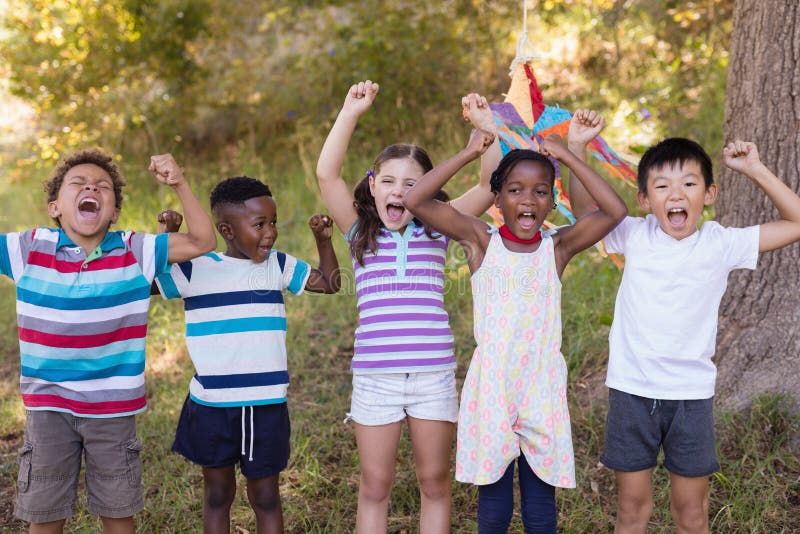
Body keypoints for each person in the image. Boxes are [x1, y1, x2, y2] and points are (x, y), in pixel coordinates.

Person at [566, 128, 800, 533]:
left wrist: (755, 168)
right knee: (631, 510)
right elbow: (588, 214)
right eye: (662, 186)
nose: (676, 195)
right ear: (645, 199)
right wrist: (575, 149)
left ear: (709, 194)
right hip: (632, 391)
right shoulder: (633, 234)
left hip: (691, 397)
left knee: (691, 514)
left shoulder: (720, 242)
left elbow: (795, 222)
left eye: (689, 184)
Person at [404, 123, 627, 533]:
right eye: (515, 190)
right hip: (493, 387)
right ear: (497, 198)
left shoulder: (556, 247)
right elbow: (415, 198)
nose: (528, 199)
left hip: (541, 387)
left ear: (551, 200)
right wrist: (470, 153)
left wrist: (569, 156)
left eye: (541, 191)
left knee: (541, 508)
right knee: (494, 507)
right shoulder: (479, 240)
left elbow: (615, 211)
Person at [314, 80, 500, 534]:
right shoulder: (359, 232)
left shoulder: (439, 227)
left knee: (433, 483)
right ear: (374, 186)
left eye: (413, 184)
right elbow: (327, 175)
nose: (399, 192)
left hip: (432, 375)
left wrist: (485, 126)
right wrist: (350, 112)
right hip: (376, 377)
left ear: (430, 190)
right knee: (375, 485)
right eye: (390, 182)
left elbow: (489, 186)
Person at [1, 149, 216, 533]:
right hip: (49, 406)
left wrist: (179, 182)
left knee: (118, 513)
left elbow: (203, 240)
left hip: (113, 410)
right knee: (45, 515)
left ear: (114, 211)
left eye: (103, 187)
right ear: (55, 207)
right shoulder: (29, 248)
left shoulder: (135, 250)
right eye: (79, 184)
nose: (92, 188)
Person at [154, 176, 340, 534]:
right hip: (211, 407)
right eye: (259, 224)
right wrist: (167, 238)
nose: (270, 232)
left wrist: (323, 241)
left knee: (267, 496)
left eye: (273, 222)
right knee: (217, 495)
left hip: (265, 405)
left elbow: (331, 283)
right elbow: (147, 282)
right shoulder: (195, 267)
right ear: (226, 229)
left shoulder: (278, 266)